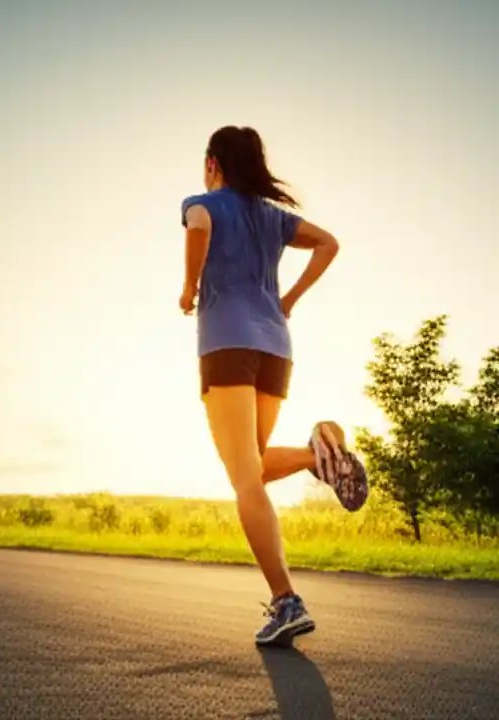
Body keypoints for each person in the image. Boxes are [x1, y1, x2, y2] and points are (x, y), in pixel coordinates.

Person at [179, 126, 369, 646]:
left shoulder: (202, 204)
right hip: (275, 349)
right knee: (254, 463)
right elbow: (328, 244)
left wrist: (189, 286)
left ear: (213, 163)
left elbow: (198, 227)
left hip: (226, 346)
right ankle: (316, 456)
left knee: (244, 478)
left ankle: (286, 601)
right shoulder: (272, 216)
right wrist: (289, 300)